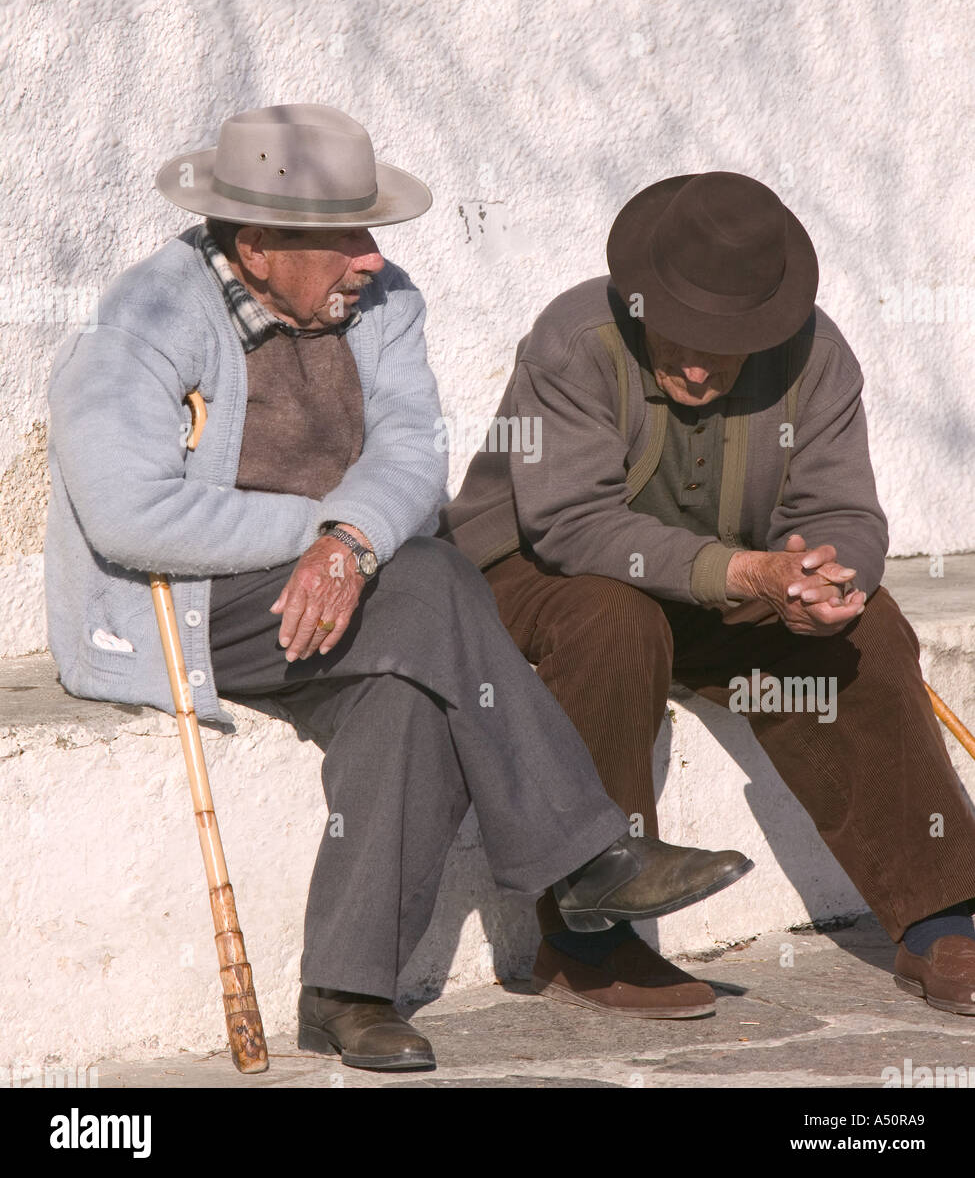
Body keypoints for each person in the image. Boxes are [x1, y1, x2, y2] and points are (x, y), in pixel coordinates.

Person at [43, 108, 751, 1073]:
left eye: (369, 234)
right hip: (192, 610)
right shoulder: (147, 318)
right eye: (343, 239)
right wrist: (328, 537)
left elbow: (414, 452)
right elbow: (128, 514)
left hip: (358, 596)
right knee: (430, 576)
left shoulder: (383, 302)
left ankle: (346, 994)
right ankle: (587, 858)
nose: (370, 259)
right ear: (255, 247)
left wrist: (349, 542)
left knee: (407, 694)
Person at [440, 171, 975, 1020]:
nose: (695, 362)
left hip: (708, 591)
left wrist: (828, 577)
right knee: (615, 619)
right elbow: (571, 524)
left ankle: (941, 914)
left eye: (723, 344)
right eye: (678, 335)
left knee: (867, 628)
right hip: (540, 580)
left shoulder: (817, 355)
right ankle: (584, 932)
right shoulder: (575, 340)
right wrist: (745, 574)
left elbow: (838, 511)